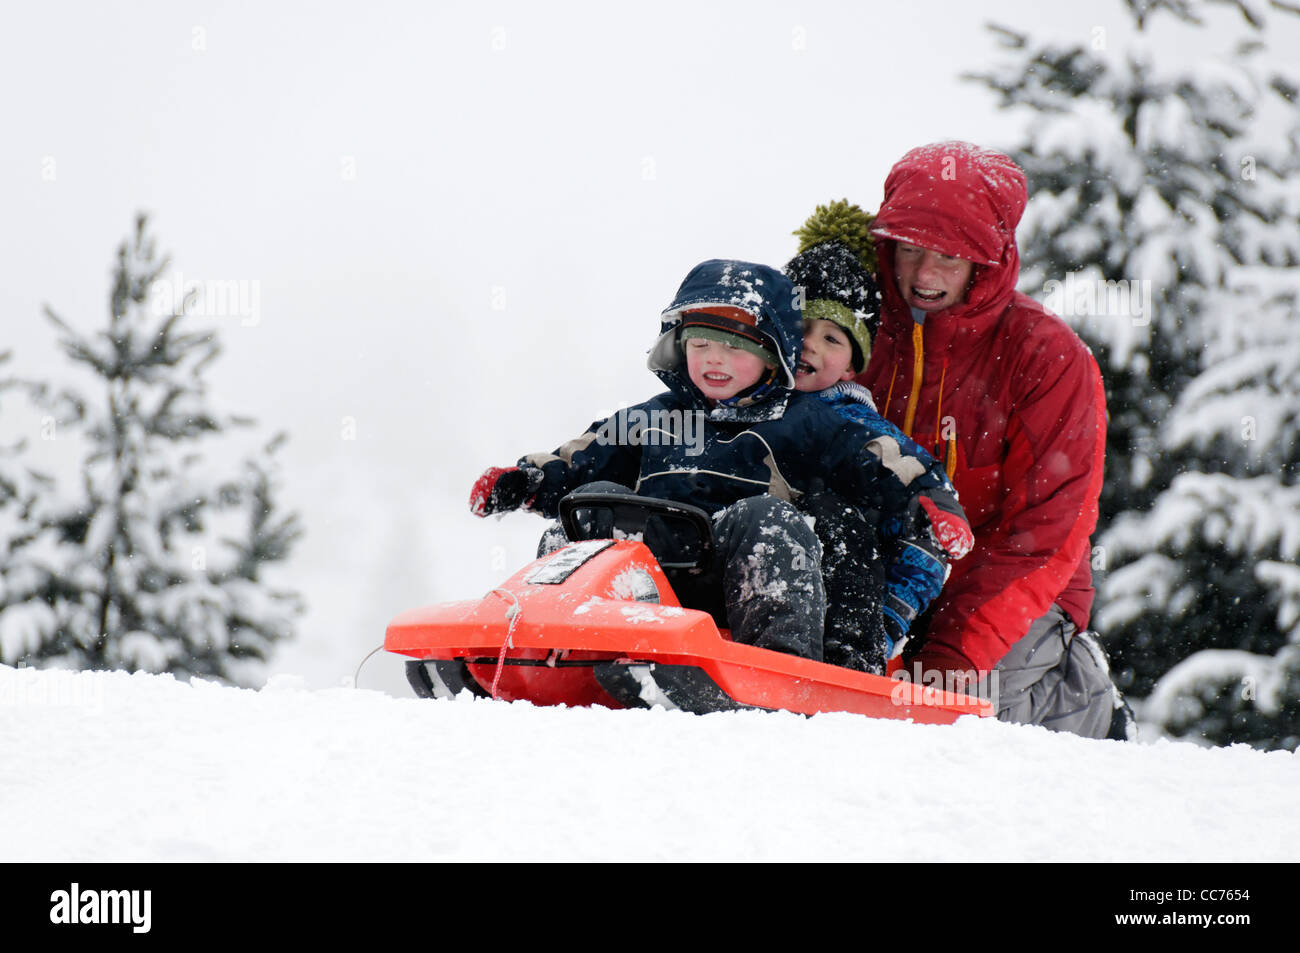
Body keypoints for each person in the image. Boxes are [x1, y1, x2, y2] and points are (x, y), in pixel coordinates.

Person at [468, 258, 966, 666]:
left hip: (738, 578)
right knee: (592, 509)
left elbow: (884, 460)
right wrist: (525, 481)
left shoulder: (805, 420)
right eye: (701, 345)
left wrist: (931, 501)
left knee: (765, 517)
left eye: (735, 349)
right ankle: (545, 643)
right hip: (654, 582)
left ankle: (781, 666)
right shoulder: (651, 417)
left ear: (774, 357)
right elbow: (579, 458)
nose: (714, 360)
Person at [846, 141, 1130, 738]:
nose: (925, 275)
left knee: (952, 727)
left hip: (1006, 590)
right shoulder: (846, 336)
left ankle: (1082, 703)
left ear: (989, 260)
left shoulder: (1047, 357)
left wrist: (953, 647)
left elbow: (1048, 532)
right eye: (912, 249)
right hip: (875, 571)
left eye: (949, 256)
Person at [783, 240, 972, 675]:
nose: (809, 345)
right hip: (741, 587)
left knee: (830, 517)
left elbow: (910, 477)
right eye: (799, 329)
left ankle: (848, 659)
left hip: (839, 605)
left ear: (853, 366)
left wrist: (883, 626)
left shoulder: (852, 425)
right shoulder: (737, 408)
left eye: (831, 337)